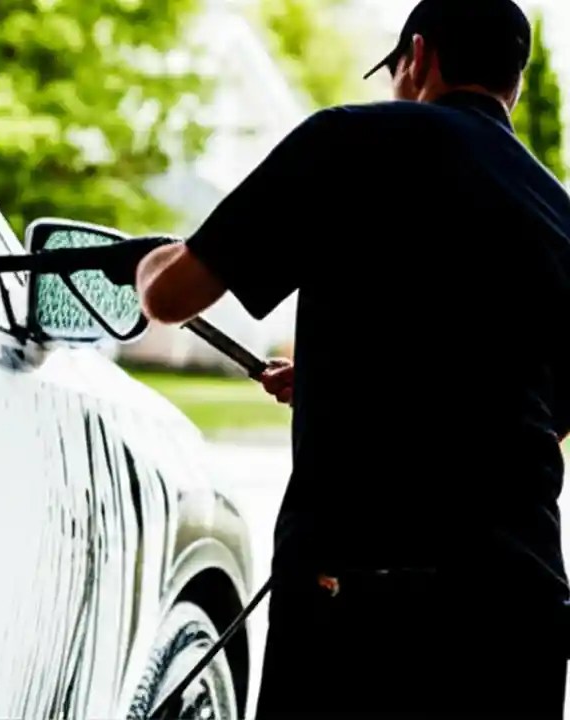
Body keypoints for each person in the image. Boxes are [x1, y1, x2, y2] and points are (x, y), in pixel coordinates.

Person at [130, 0, 570, 716]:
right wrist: (355, 378)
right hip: (518, 607)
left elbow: (174, 296)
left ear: (418, 58)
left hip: (358, 592)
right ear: (513, 85)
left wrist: (148, 266)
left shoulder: (346, 141)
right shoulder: (559, 213)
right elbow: (536, 416)